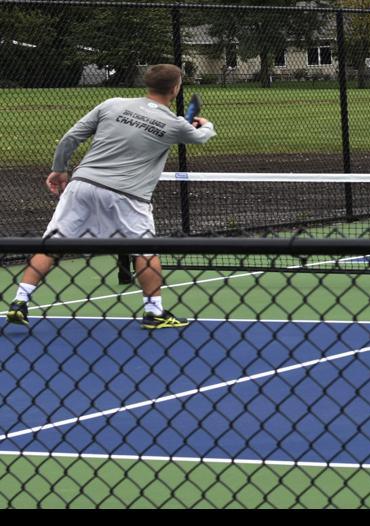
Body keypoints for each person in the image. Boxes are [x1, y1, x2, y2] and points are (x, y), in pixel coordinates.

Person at [7, 64, 217, 330]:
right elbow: (200, 137)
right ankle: (154, 312)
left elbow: (70, 138)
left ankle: (19, 301)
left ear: (147, 83)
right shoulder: (176, 125)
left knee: (53, 242)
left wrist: (59, 170)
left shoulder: (112, 104)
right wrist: (206, 124)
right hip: (128, 195)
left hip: (82, 185)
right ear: (175, 89)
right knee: (145, 249)